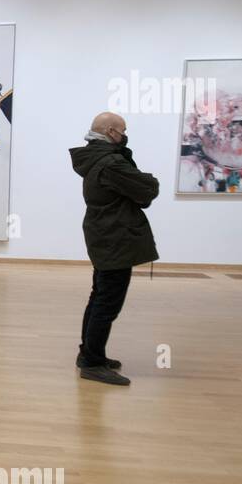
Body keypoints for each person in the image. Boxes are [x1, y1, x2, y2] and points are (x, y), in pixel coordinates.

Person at [69, 111, 159, 386]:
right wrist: (149, 180)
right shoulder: (110, 163)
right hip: (115, 237)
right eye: (122, 130)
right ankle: (92, 363)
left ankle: (89, 354)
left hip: (105, 234)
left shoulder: (96, 157)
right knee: (107, 302)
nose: (125, 134)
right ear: (110, 131)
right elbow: (147, 190)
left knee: (100, 296)